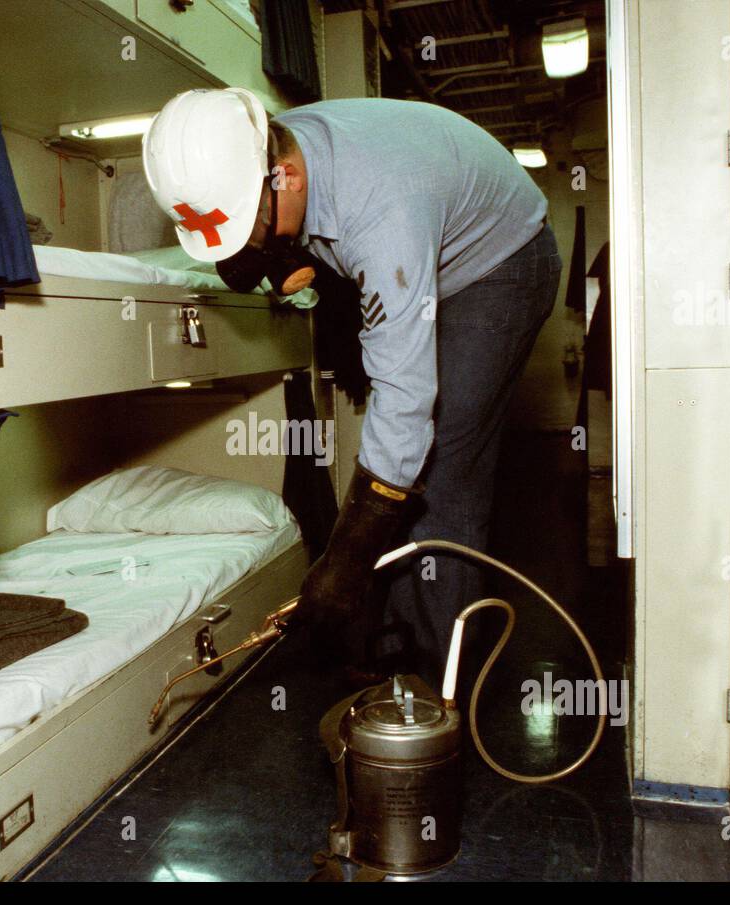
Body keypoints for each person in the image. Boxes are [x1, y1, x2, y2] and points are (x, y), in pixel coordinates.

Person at [142, 88, 561, 687]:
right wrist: (259, 251)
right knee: (397, 461)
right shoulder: (257, 151)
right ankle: (390, 642)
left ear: (284, 177)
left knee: (443, 465)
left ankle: (432, 687)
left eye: (250, 228)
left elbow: (407, 402)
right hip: (418, 235)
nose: (254, 242)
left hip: (500, 263)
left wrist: (343, 562)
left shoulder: (384, 210)